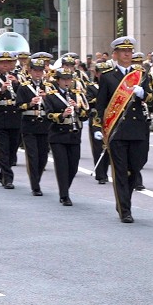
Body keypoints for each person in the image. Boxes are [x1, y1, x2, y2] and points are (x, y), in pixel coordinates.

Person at [95, 36, 153, 222]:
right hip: (117, 131)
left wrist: (142, 93)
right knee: (120, 170)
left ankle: (125, 199)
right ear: (115, 54)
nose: (127, 54)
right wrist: (99, 126)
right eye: (123, 51)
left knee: (136, 167)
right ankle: (124, 208)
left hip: (138, 129)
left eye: (129, 51)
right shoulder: (107, 77)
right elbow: (101, 105)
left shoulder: (141, 75)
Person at [44, 68, 88, 206]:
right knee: (62, 165)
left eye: (69, 79)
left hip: (74, 134)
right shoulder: (51, 96)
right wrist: (62, 115)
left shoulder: (78, 95)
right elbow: (48, 115)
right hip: (57, 134)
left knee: (73, 167)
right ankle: (64, 195)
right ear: (58, 81)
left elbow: (86, 115)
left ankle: (65, 188)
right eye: (63, 79)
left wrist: (77, 109)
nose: (66, 82)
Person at [17, 55, 54, 197]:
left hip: (44, 124)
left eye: (40, 70)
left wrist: (46, 99)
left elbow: (54, 106)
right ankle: (35, 185)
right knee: (32, 155)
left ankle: (37, 178)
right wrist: (30, 104)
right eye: (35, 70)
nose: (38, 73)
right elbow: (19, 106)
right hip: (29, 124)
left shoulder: (49, 88)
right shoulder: (24, 87)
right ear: (30, 71)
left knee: (43, 156)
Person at [0, 51, 24, 190]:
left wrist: (17, 84)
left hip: (15, 116)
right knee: (3, 149)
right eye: (3, 63)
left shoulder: (18, 77)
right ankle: (8, 177)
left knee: (13, 148)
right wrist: (1, 90)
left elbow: (24, 95)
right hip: (0, 116)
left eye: (8, 63)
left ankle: (4, 172)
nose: (6, 66)